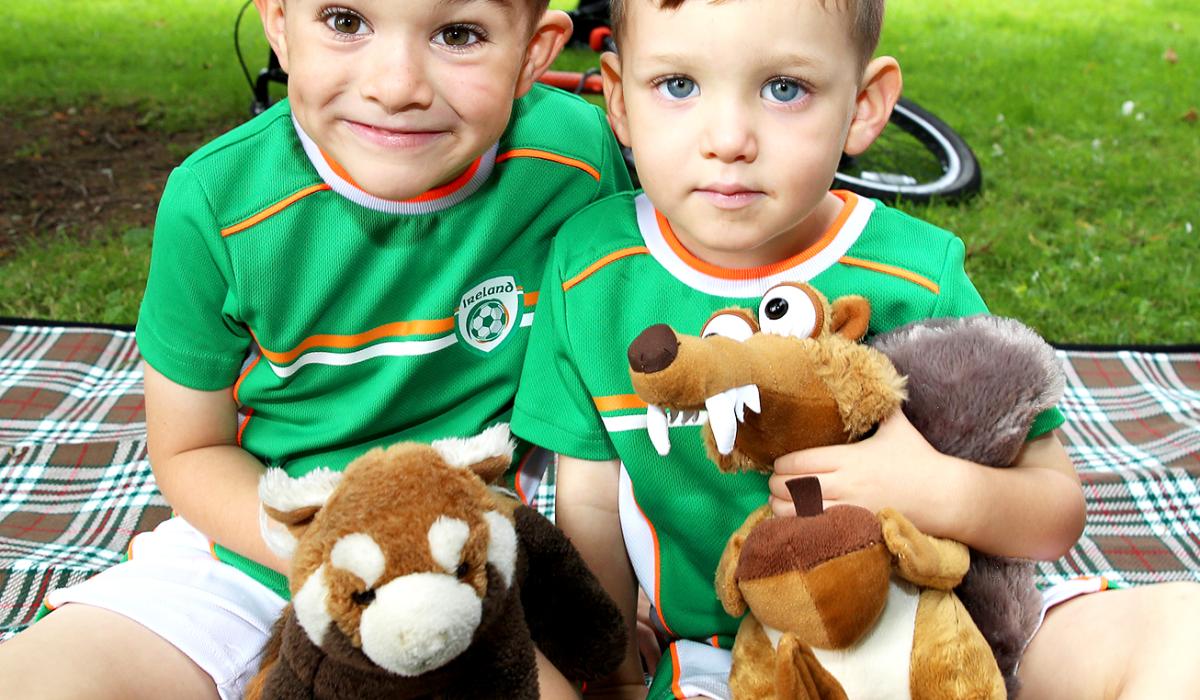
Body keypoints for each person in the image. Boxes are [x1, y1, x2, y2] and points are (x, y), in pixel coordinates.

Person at [510, 0, 1200, 698]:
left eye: (785, 89)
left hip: (949, 636)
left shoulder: (916, 277)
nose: (727, 138)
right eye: (678, 86)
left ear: (866, 107)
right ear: (620, 100)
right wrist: (616, 673)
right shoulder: (592, 272)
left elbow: (1056, 513)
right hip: (736, 662)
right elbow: (591, 503)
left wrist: (937, 489)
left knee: (1185, 629)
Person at [0, 1, 631, 698]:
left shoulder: (576, 158)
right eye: (345, 20)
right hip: (257, 543)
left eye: (458, 35)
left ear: (535, 54)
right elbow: (189, 450)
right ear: (278, 22)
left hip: (462, 563)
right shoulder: (215, 199)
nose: (395, 86)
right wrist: (327, 550)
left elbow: (621, 350)